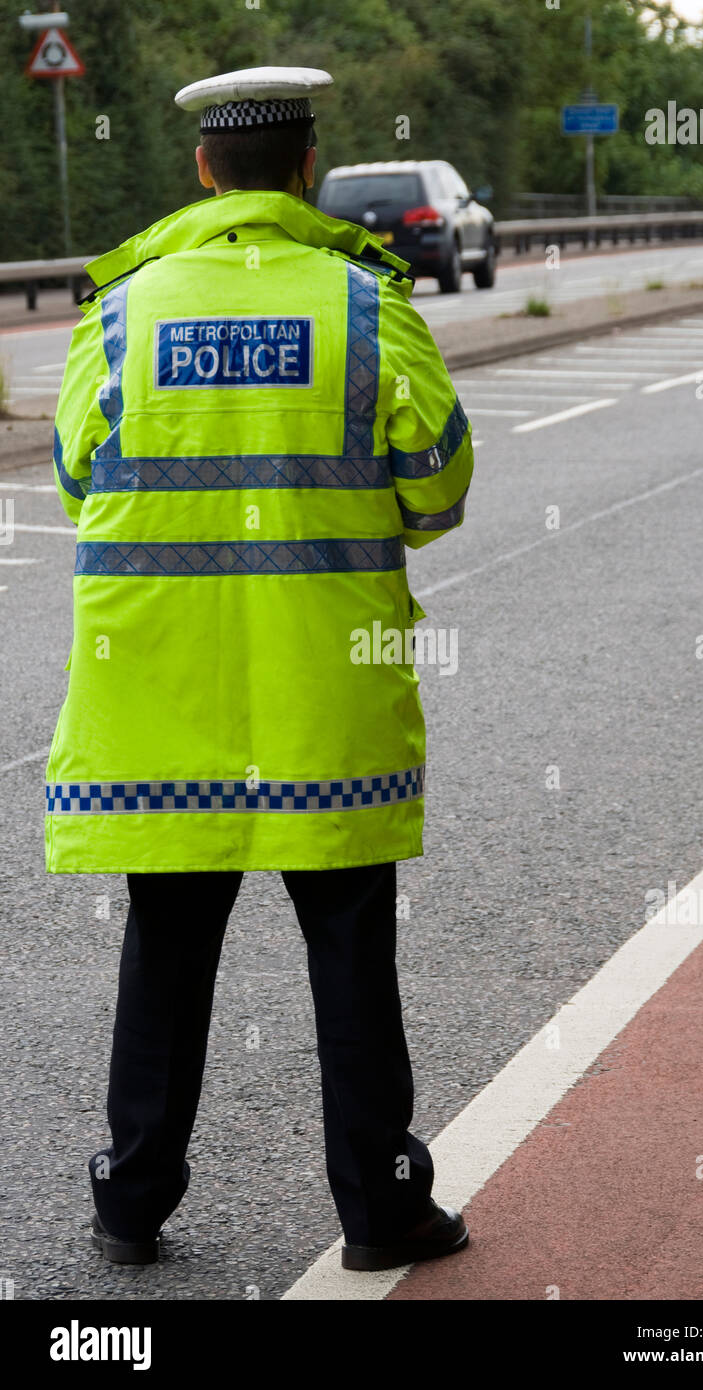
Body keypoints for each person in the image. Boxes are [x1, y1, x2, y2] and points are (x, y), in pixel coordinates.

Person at [45, 66, 473, 1274]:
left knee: (166, 949)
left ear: (200, 171)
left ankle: (132, 1201)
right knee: (351, 956)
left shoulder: (121, 310)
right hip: (321, 696)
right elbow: (437, 486)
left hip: (160, 700)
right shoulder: (363, 303)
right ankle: (381, 1208)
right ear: (306, 169)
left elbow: (84, 482)